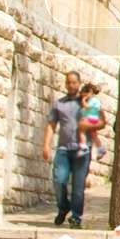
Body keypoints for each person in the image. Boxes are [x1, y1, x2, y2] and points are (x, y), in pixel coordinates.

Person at [43, 70, 89, 229]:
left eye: (74, 82)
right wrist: (46, 145)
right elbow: (51, 125)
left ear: (79, 84)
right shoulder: (59, 104)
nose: (71, 85)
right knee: (58, 180)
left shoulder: (86, 102)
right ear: (65, 84)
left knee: (78, 187)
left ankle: (76, 217)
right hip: (63, 149)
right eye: (68, 82)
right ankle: (63, 207)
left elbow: (96, 120)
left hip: (81, 151)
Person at [77, 82, 107, 161]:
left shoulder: (93, 101)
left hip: (92, 119)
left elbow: (87, 108)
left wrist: (83, 101)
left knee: (81, 129)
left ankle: (83, 147)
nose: (84, 96)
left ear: (90, 92)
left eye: (85, 94)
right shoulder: (92, 101)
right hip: (92, 119)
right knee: (94, 135)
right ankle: (101, 149)